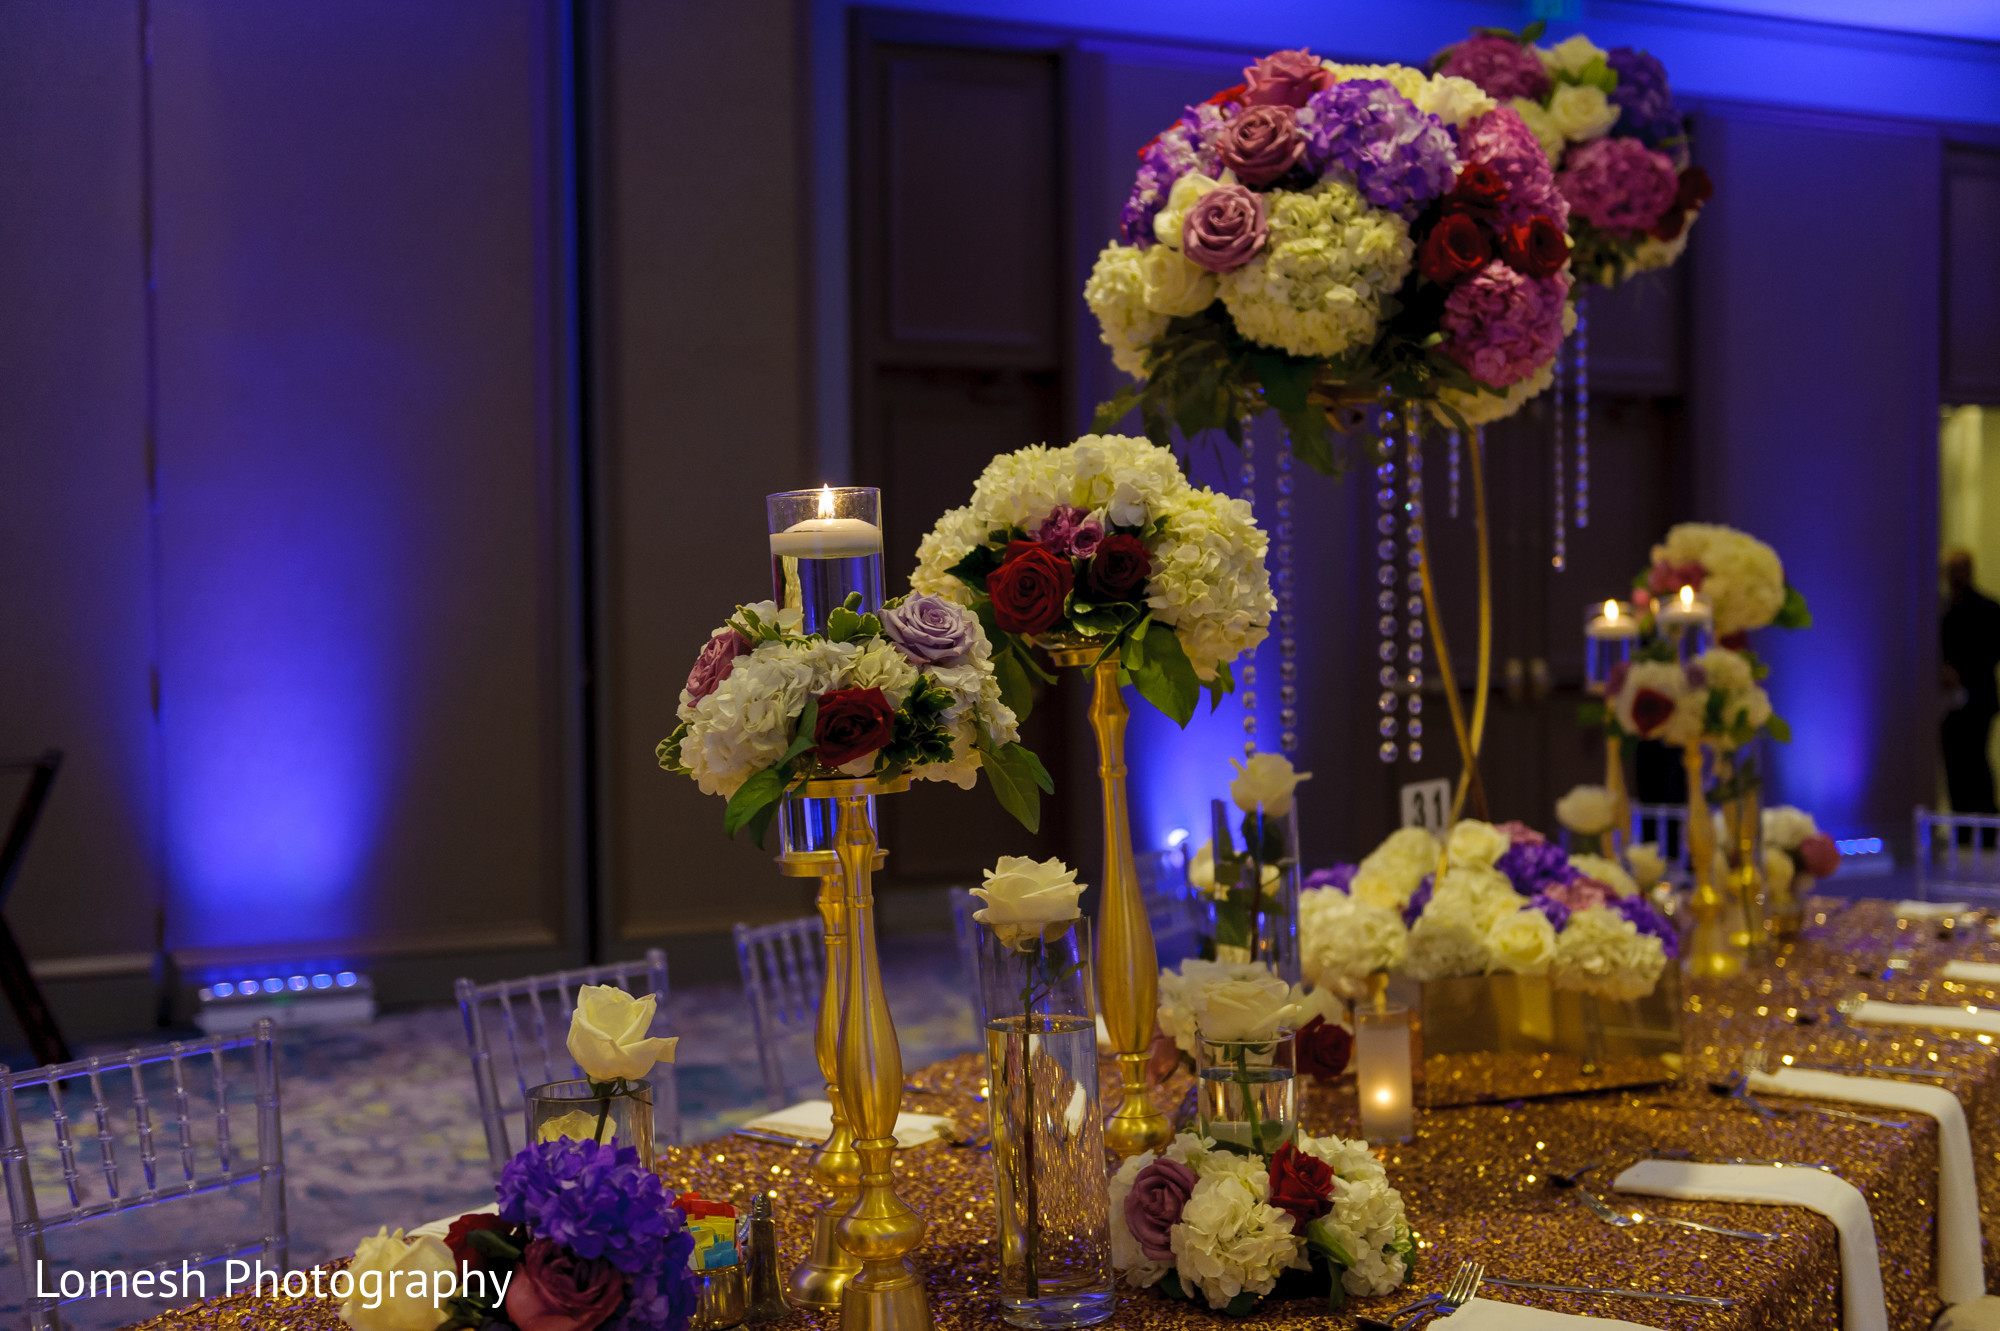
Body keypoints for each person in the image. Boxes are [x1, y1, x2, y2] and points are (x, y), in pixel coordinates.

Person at [1941, 548, 2000, 826]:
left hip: (1978, 699)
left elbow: (1992, 651)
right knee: (1953, 763)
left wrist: (1962, 673)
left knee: (1976, 761)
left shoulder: (1988, 609)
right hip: (1947, 701)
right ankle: (1961, 826)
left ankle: (1985, 826)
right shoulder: (1941, 609)